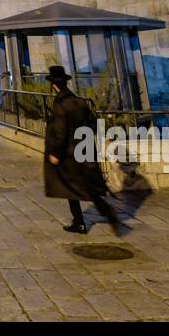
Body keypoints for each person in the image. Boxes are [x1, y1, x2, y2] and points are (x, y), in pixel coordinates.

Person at [42, 66, 124, 236]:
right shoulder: (80, 101)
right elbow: (92, 124)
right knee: (87, 187)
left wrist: (55, 153)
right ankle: (97, 216)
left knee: (69, 188)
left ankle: (81, 222)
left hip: (69, 153)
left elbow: (60, 131)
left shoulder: (60, 104)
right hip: (84, 149)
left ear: (53, 85)